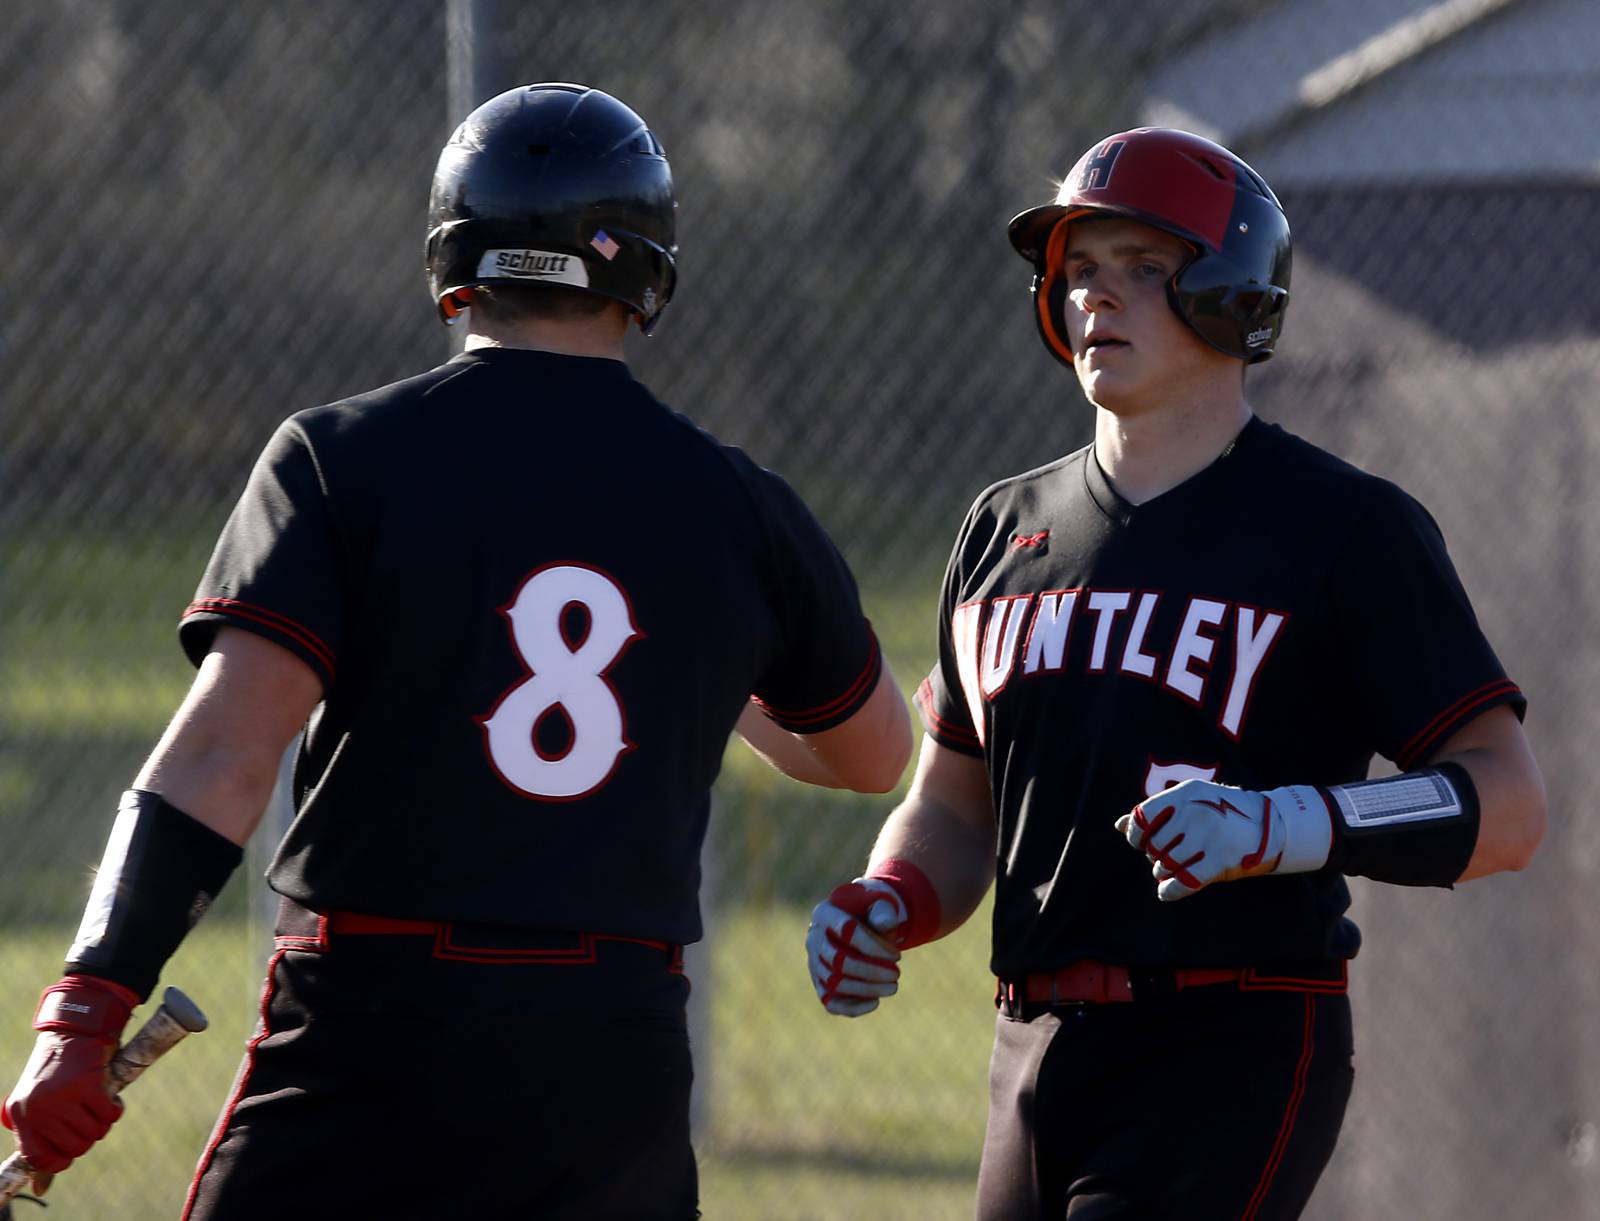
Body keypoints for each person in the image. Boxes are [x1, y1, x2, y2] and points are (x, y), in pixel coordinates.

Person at [1, 82, 912, 1220]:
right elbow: (873, 755)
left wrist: (88, 1004)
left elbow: (224, 758)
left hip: (376, 1020)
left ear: (454, 254)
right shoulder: (739, 503)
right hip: (609, 1053)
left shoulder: (342, 456)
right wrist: (692, 653)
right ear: (647, 269)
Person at [805, 126, 1546, 1220]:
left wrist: (1284, 823)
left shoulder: (1344, 528)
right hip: (1030, 1042)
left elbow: (1508, 807)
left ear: (1234, 294)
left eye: (1144, 267)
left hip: (1229, 1040)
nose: (1096, 296)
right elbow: (952, 805)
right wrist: (891, 897)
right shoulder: (1001, 527)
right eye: (1079, 270)